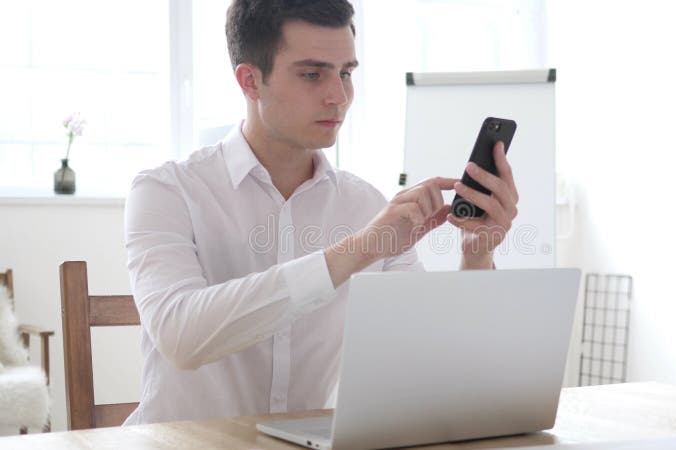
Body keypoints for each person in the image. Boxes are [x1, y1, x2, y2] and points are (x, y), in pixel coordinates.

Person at [123, 0, 519, 425]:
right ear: (250, 80)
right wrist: (359, 249)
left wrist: (477, 256)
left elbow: (432, 357)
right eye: (312, 74)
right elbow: (181, 338)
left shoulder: (366, 204)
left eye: (346, 72)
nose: (339, 96)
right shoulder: (166, 191)